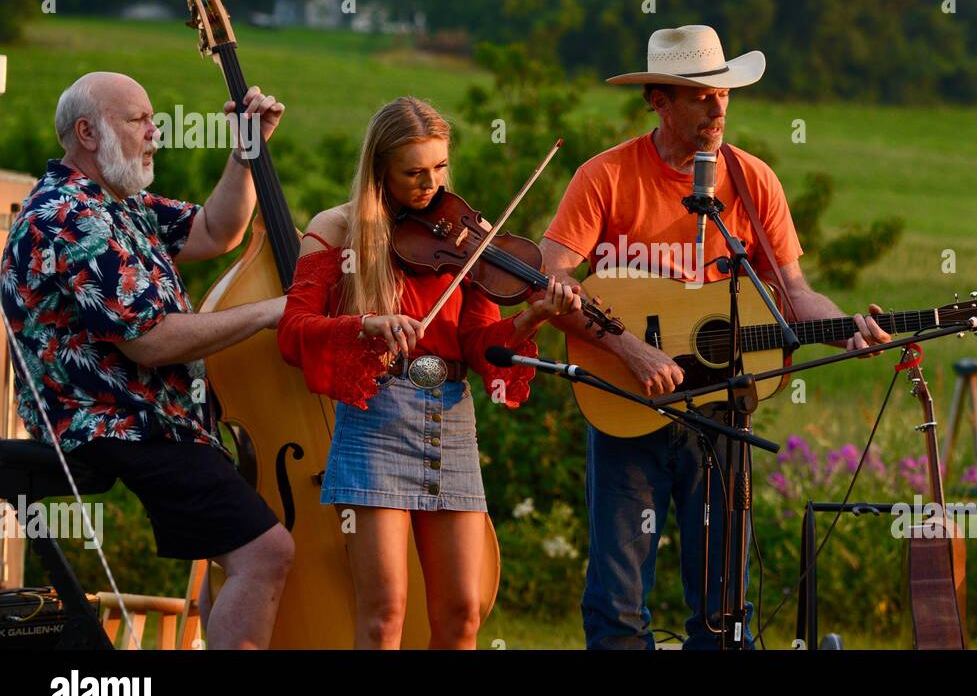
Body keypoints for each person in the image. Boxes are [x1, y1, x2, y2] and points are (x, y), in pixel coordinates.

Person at [539, 25, 893, 649]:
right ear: (659, 101)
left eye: (723, 92)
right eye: (700, 95)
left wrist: (845, 330)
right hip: (627, 402)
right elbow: (550, 281)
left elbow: (793, 293)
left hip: (723, 408)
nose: (717, 106)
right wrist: (629, 347)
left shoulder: (752, 180)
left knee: (724, 610)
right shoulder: (605, 176)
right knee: (617, 605)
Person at [0, 71, 293, 649]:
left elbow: (216, 231)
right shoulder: (67, 215)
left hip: (152, 418)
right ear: (87, 133)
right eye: (138, 120)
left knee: (237, 557)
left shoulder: (117, 202)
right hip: (119, 422)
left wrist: (246, 153)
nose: (155, 132)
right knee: (265, 552)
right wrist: (266, 312)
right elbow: (150, 341)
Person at [277, 96, 579, 649]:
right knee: (384, 614)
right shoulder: (338, 229)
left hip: (452, 416)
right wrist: (365, 324)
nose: (431, 184)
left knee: (463, 612)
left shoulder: (463, 234)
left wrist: (531, 318)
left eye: (440, 167)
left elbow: (479, 345)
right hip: (377, 420)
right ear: (380, 170)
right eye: (413, 172)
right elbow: (294, 328)